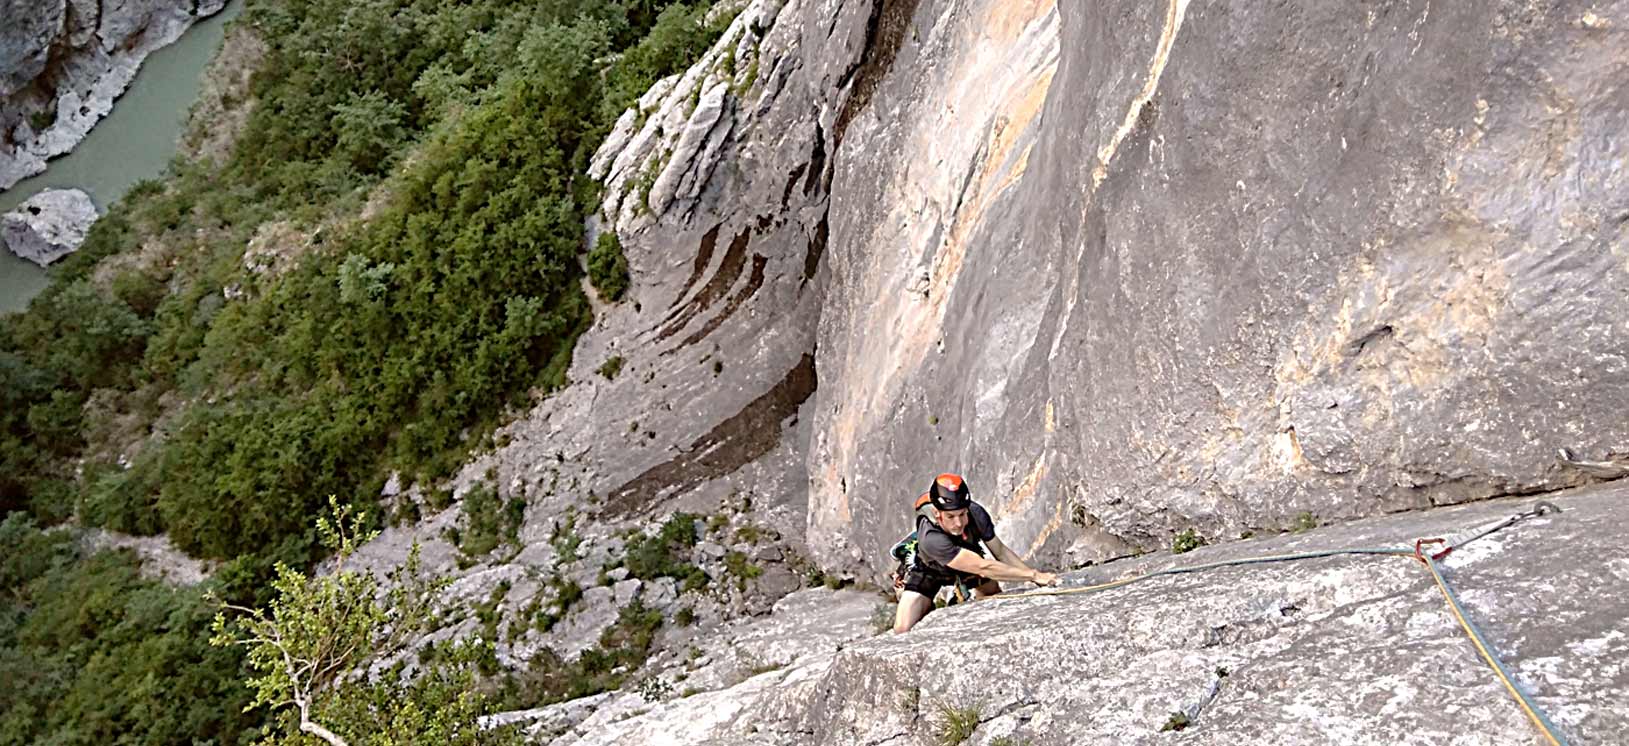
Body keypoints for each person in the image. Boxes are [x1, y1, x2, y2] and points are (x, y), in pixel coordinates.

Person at [892, 473, 1059, 633]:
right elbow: (982, 567)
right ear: (937, 513)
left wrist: (1037, 580)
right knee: (902, 628)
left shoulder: (976, 513)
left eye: (962, 514)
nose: (958, 523)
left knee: (993, 598)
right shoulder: (931, 537)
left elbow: (1000, 551)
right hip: (930, 569)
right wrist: (1034, 575)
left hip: (968, 559)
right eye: (950, 517)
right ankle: (928, 607)